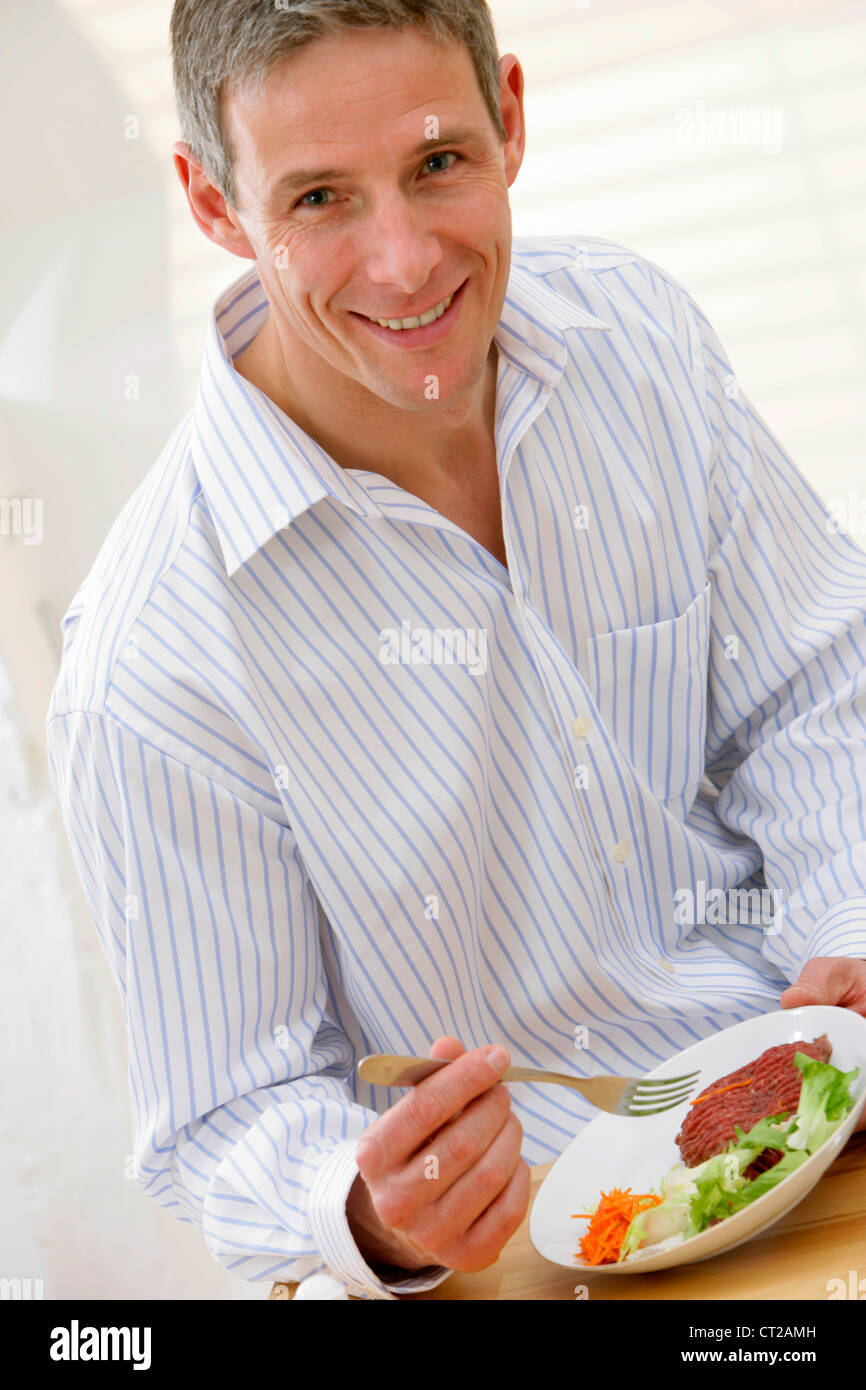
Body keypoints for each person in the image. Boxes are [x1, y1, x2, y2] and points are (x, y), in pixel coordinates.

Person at [46, 0, 866, 1300]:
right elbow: (227, 1110)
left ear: (512, 122)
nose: (403, 262)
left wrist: (848, 918)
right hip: (526, 1257)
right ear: (213, 205)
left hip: (819, 1119)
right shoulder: (153, 664)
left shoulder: (636, 341)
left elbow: (812, 687)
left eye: (436, 165)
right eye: (319, 198)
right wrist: (368, 1209)